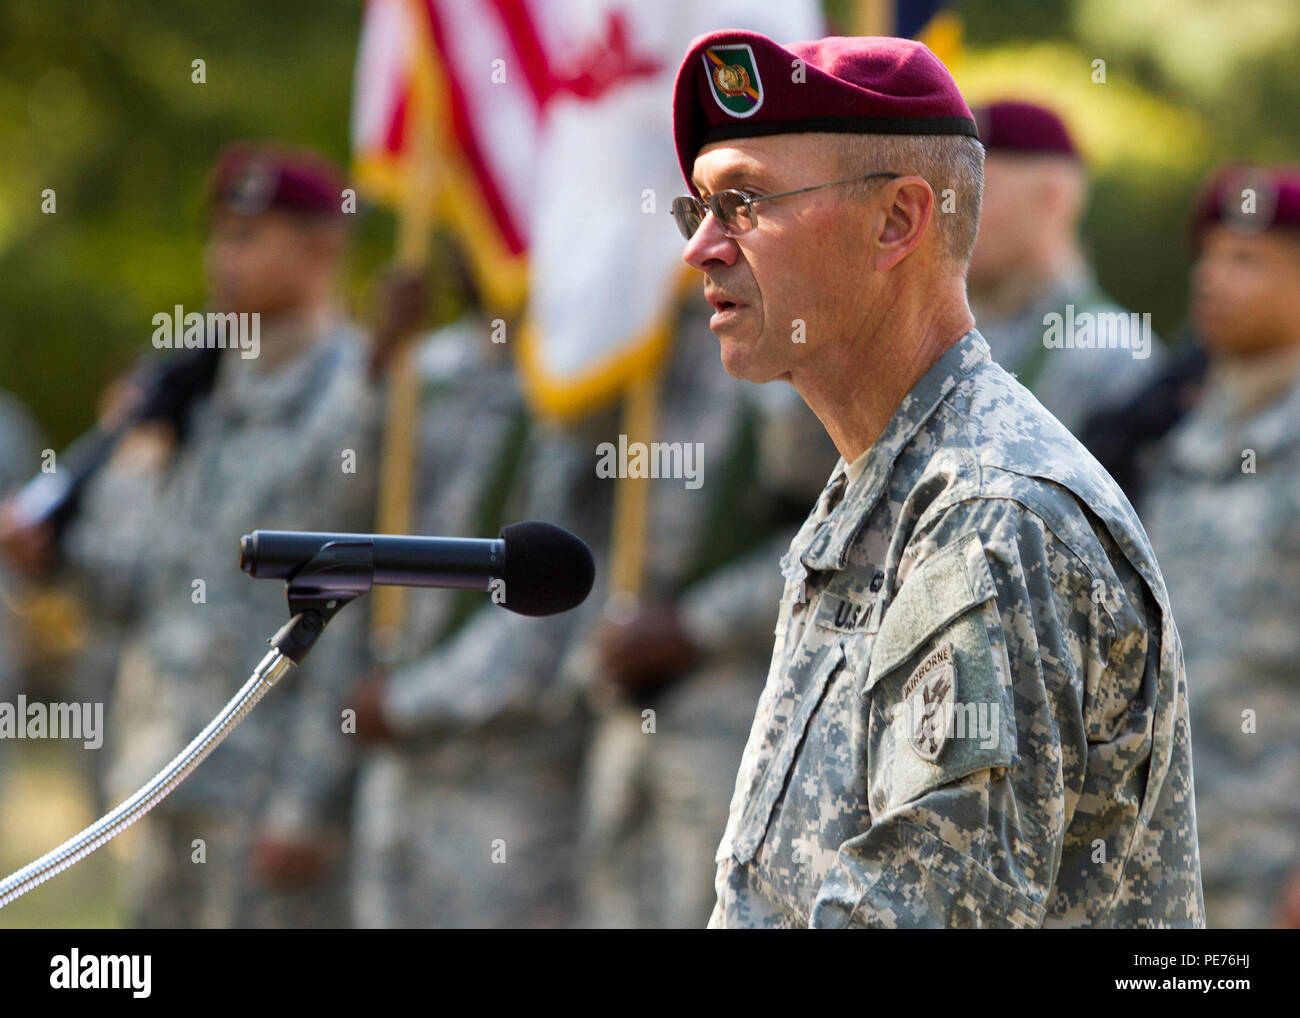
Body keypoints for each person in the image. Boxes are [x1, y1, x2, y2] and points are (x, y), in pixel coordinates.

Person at [670, 30, 1204, 928]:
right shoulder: (888, 483)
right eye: (700, 211)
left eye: (747, 204)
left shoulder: (989, 518)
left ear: (897, 222)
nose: (704, 249)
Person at [3, 142, 381, 927]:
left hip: (265, 793)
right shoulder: (203, 392)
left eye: (249, 237)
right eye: (220, 234)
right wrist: (55, 555)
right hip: (168, 772)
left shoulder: (357, 400)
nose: (223, 258)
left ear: (321, 250)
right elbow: (158, 581)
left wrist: (308, 806)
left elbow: (358, 611)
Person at [1138, 165, 1300, 929]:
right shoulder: (1174, 431)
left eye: (1247, 261)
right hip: (1168, 865)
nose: (1213, 278)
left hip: (1271, 869)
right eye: (1209, 257)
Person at [966, 100, 1164, 437]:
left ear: (1053, 196)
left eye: (980, 191)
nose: (954, 212)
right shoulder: (959, 332)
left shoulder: (1112, 354)